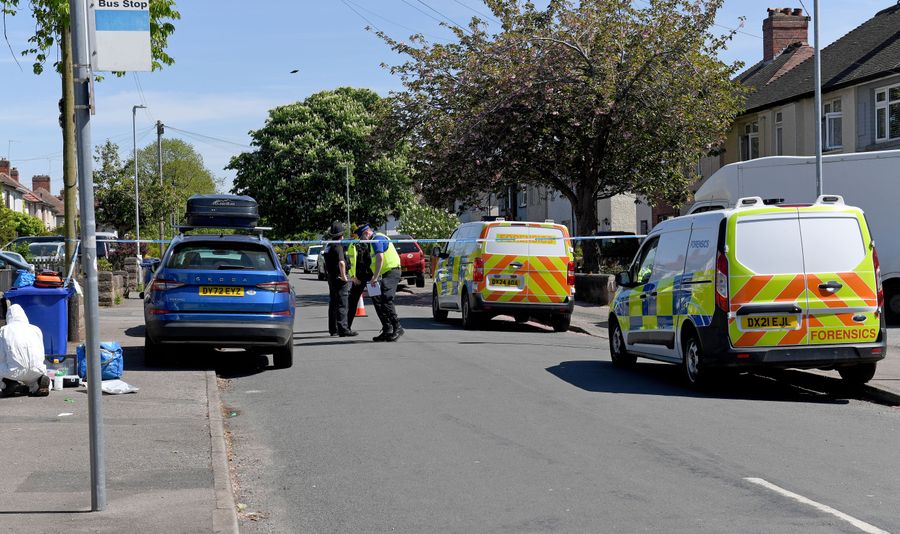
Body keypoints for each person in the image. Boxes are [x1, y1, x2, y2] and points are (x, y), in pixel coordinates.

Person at [355, 224, 403, 342]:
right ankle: (387, 329)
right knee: (378, 300)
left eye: (361, 237)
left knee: (386, 298)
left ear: (366, 233)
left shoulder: (377, 239)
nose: (362, 240)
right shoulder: (372, 241)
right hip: (383, 274)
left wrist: (375, 277)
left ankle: (398, 327)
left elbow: (380, 257)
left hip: (392, 271)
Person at [0, 304, 50, 397]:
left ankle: (8, 384)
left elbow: (1, 356)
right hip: (37, 370)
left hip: (14, 371)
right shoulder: (36, 329)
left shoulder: (4, 330)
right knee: (32, 377)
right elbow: (41, 353)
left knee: (8, 370)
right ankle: (39, 382)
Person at [323, 221, 357, 337]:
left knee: (333, 303)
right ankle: (343, 329)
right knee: (343, 303)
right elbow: (342, 263)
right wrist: (344, 277)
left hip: (331, 277)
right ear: (341, 235)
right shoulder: (338, 246)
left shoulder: (329, 246)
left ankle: (333, 329)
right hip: (338, 278)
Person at [346, 234, 373, 332]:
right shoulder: (354, 244)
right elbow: (350, 262)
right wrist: (353, 277)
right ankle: (346, 327)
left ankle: (387, 327)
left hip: (370, 276)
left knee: (378, 301)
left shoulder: (373, 242)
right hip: (360, 276)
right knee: (352, 302)